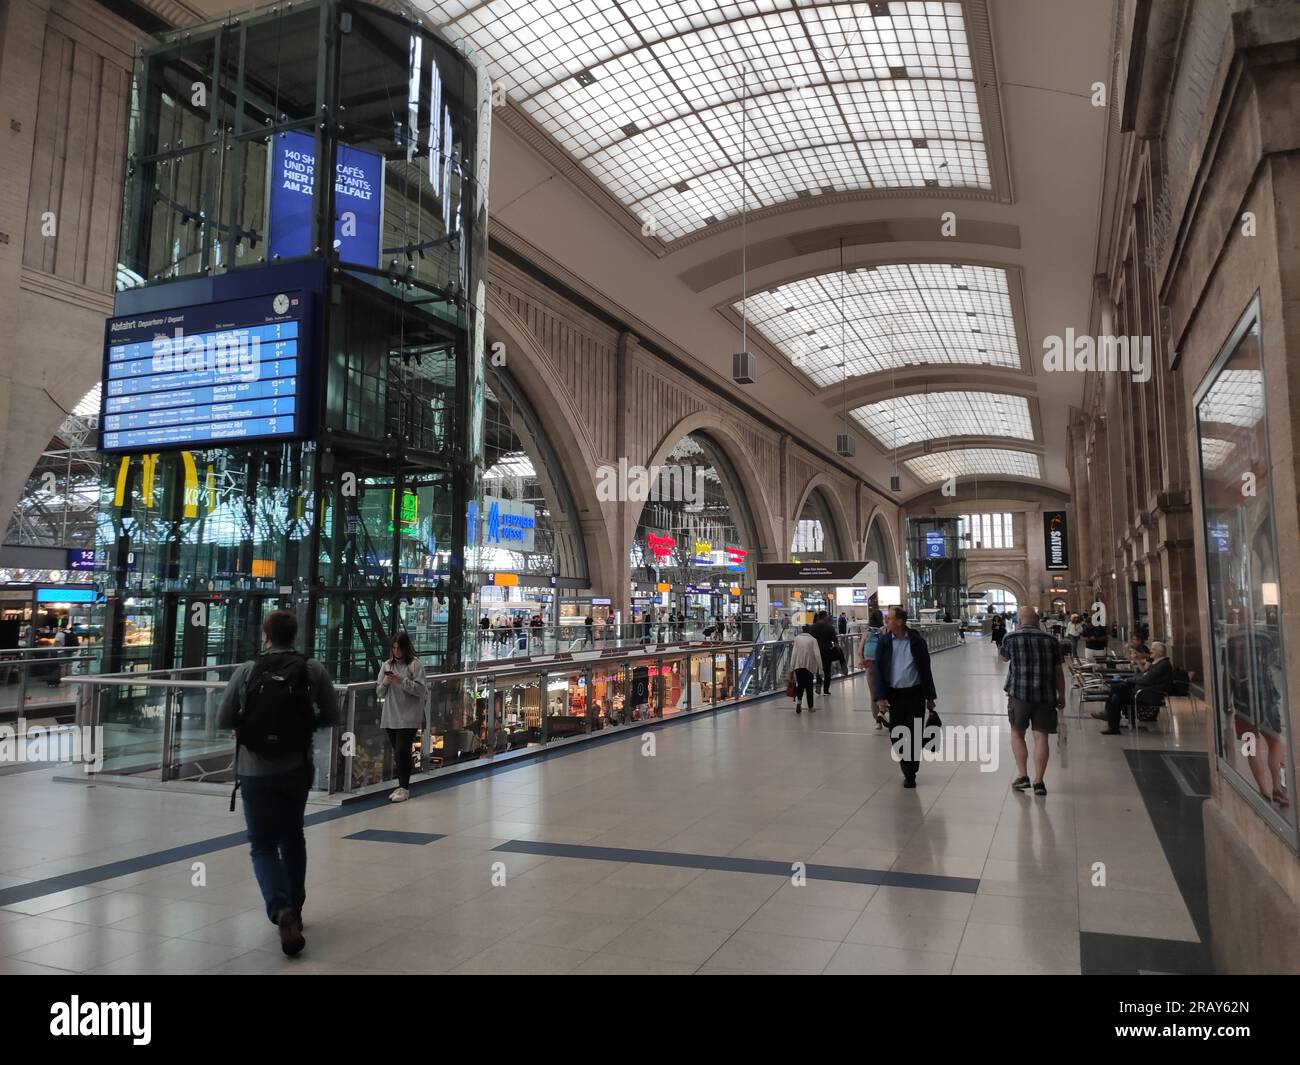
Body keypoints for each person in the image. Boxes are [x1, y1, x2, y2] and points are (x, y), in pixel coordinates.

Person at [217, 610, 338, 957]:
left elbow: (224, 718)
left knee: (262, 845)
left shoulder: (247, 670)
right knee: (292, 836)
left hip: (254, 771)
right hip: (295, 768)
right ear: (295, 634)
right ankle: (296, 911)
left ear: (265, 635)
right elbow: (331, 716)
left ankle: (279, 906)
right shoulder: (312, 670)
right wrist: (301, 721)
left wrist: (251, 723)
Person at [1000, 606, 1065, 796]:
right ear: (1037, 620)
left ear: (1020, 620)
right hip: (1045, 696)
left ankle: (1023, 775)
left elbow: (1004, 658)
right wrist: (1061, 695)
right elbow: (1059, 673)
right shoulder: (1051, 640)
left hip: (1019, 694)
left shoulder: (1010, 638)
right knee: (1041, 736)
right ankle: (1039, 782)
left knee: (1017, 733)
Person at [871, 606, 937, 788]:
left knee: (914, 735)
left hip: (915, 694)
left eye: (889, 619)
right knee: (897, 735)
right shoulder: (884, 642)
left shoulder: (917, 642)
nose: (886, 622)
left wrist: (930, 698)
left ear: (899, 622)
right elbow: (879, 671)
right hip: (895, 696)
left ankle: (911, 773)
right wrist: (880, 697)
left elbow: (925, 670)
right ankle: (906, 762)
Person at [377, 631, 428, 804]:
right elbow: (379, 691)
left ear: (405, 648)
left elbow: (421, 690)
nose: (396, 651)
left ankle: (404, 788)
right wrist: (385, 682)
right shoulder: (386, 666)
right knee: (398, 753)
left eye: (399, 648)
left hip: (409, 716)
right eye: (393, 648)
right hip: (391, 715)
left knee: (402, 750)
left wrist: (402, 681)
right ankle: (401, 785)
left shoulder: (415, 665)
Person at [1093, 641, 1174, 734]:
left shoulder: (1163, 665)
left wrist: (1129, 680)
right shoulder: (1158, 663)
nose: (1150, 651)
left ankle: (1110, 719)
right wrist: (1130, 680)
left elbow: (1146, 679)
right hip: (1143, 691)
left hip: (1149, 695)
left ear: (1159, 652)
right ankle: (1112, 724)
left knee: (1117, 691)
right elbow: (1144, 676)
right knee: (1116, 693)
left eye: (1152, 649)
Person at [789, 627, 822, 714]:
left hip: (798, 667)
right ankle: (810, 707)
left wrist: (791, 668)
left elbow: (794, 653)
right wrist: (820, 669)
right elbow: (817, 655)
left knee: (800, 685)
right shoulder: (813, 640)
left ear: (802, 630)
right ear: (810, 631)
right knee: (809, 687)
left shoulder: (797, 639)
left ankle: (799, 702)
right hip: (809, 667)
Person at [808, 610, 839, 695]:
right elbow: (835, 641)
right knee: (827, 671)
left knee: (818, 669)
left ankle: (818, 685)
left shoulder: (813, 627)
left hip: (816, 651)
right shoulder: (830, 627)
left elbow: (809, 639)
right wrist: (838, 650)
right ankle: (826, 689)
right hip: (827, 651)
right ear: (825, 617)